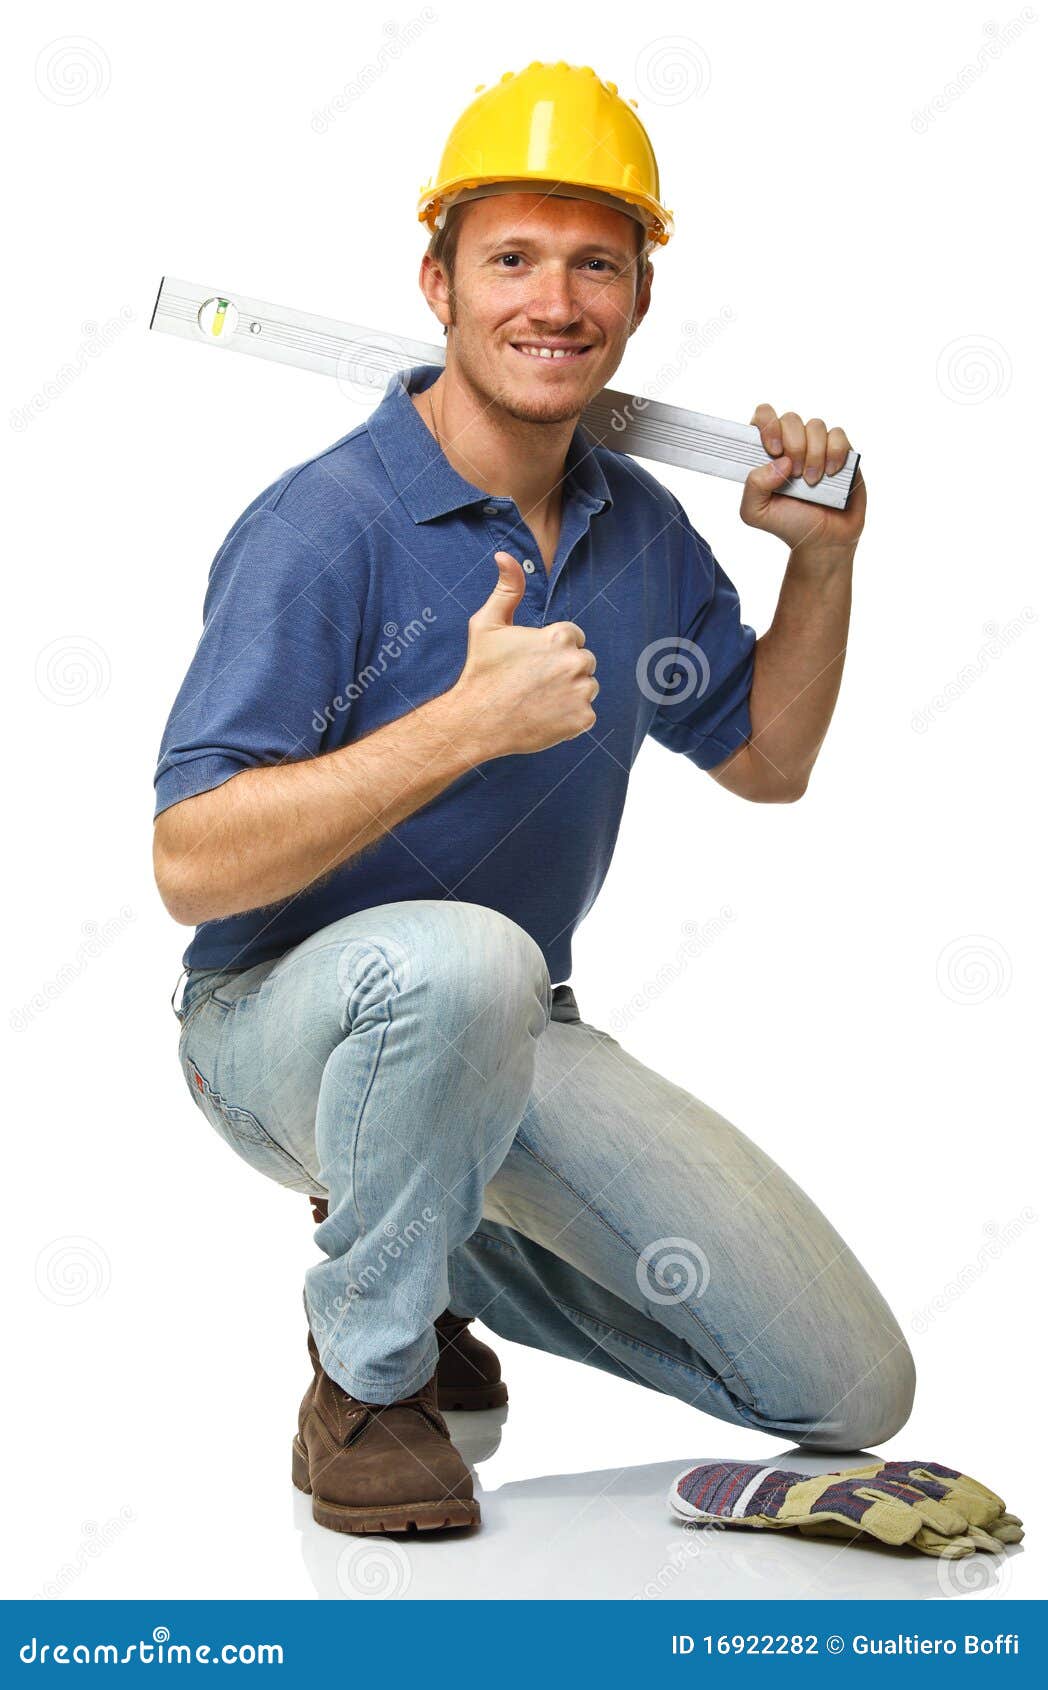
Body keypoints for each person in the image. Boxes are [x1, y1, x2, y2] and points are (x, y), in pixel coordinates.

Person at [152, 61, 912, 1538]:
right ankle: (368, 1382)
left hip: (509, 1032)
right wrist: (453, 730)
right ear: (437, 282)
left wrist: (819, 563)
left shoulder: (640, 530)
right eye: (510, 258)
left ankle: (416, 1229)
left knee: (851, 1393)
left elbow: (766, 760)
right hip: (266, 1030)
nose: (551, 301)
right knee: (470, 955)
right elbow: (191, 864)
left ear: (634, 301)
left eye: (594, 264)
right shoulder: (328, 524)